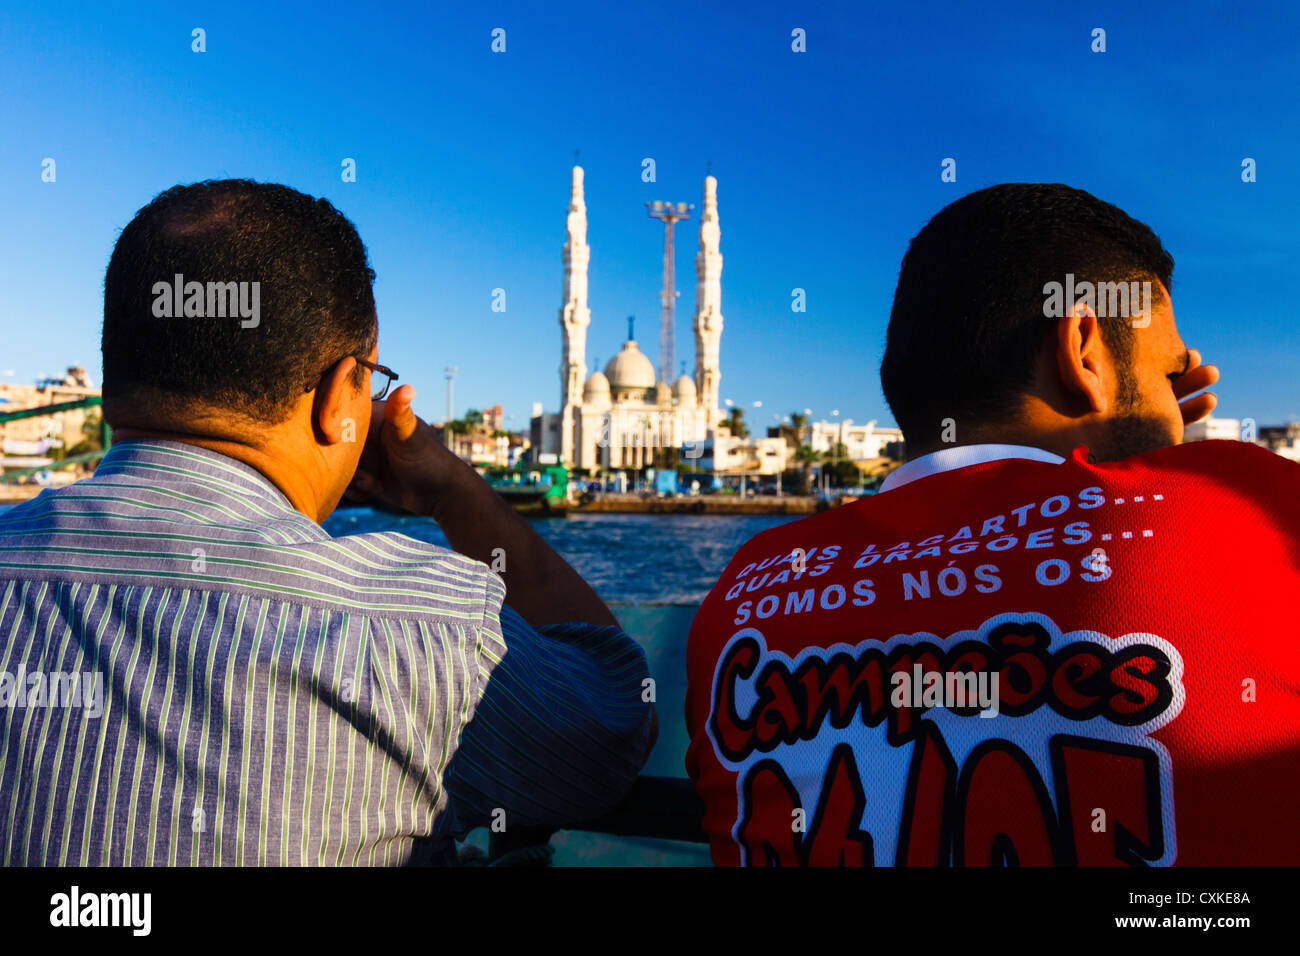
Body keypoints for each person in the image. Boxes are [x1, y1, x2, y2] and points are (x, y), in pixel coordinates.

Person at [0, 179, 655, 866]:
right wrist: (457, 495)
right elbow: (619, 723)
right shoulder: (424, 631)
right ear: (342, 394)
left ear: (113, 382)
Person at [686, 183, 1300, 866]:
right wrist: (1178, 465)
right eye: (1167, 371)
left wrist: (1143, 437)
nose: (1177, 400)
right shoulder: (1250, 509)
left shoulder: (750, 586)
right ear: (1084, 347)